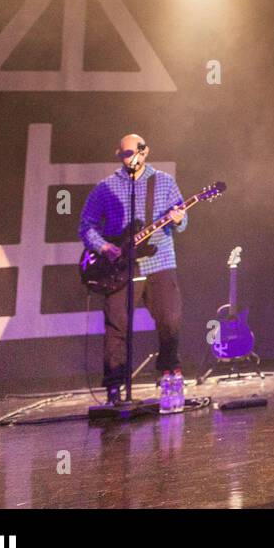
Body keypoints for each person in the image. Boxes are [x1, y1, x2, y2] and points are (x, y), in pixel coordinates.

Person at [79, 135, 188, 406]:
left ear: (146, 151)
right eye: (127, 153)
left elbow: (182, 222)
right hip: (120, 267)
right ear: (120, 155)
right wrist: (105, 248)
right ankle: (115, 387)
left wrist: (180, 218)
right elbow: (86, 225)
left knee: (170, 319)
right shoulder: (106, 187)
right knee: (117, 325)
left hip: (160, 261)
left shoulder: (164, 181)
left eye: (137, 151)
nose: (133, 157)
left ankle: (168, 374)